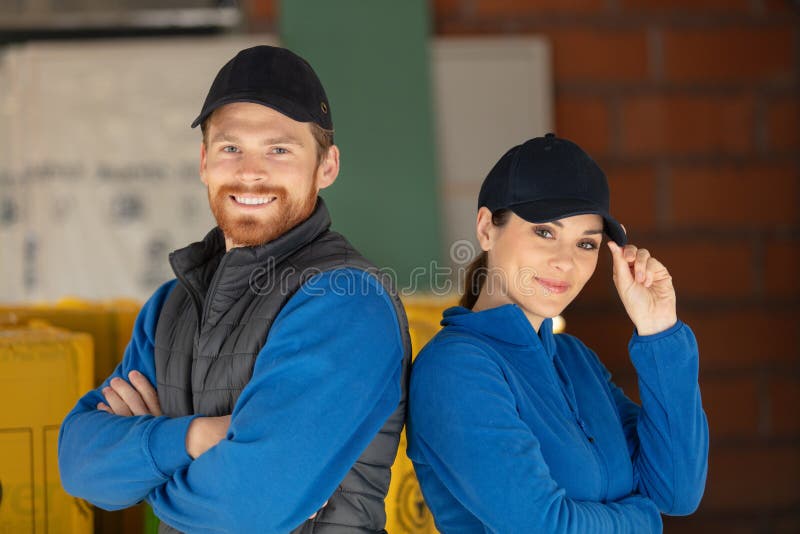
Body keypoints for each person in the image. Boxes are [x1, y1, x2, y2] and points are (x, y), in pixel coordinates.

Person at [58, 45, 411, 534]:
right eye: (231, 147)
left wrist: (147, 469)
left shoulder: (346, 300)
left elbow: (245, 509)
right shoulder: (172, 305)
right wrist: (196, 438)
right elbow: (80, 466)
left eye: (279, 149)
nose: (250, 171)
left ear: (326, 166)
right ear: (204, 161)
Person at [407, 134, 708, 533]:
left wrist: (659, 331)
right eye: (545, 232)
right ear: (486, 229)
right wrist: (644, 521)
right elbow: (544, 526)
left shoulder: (575, 359)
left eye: (586, 243)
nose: (565, 261)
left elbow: (676, 490)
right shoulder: (455, 370)